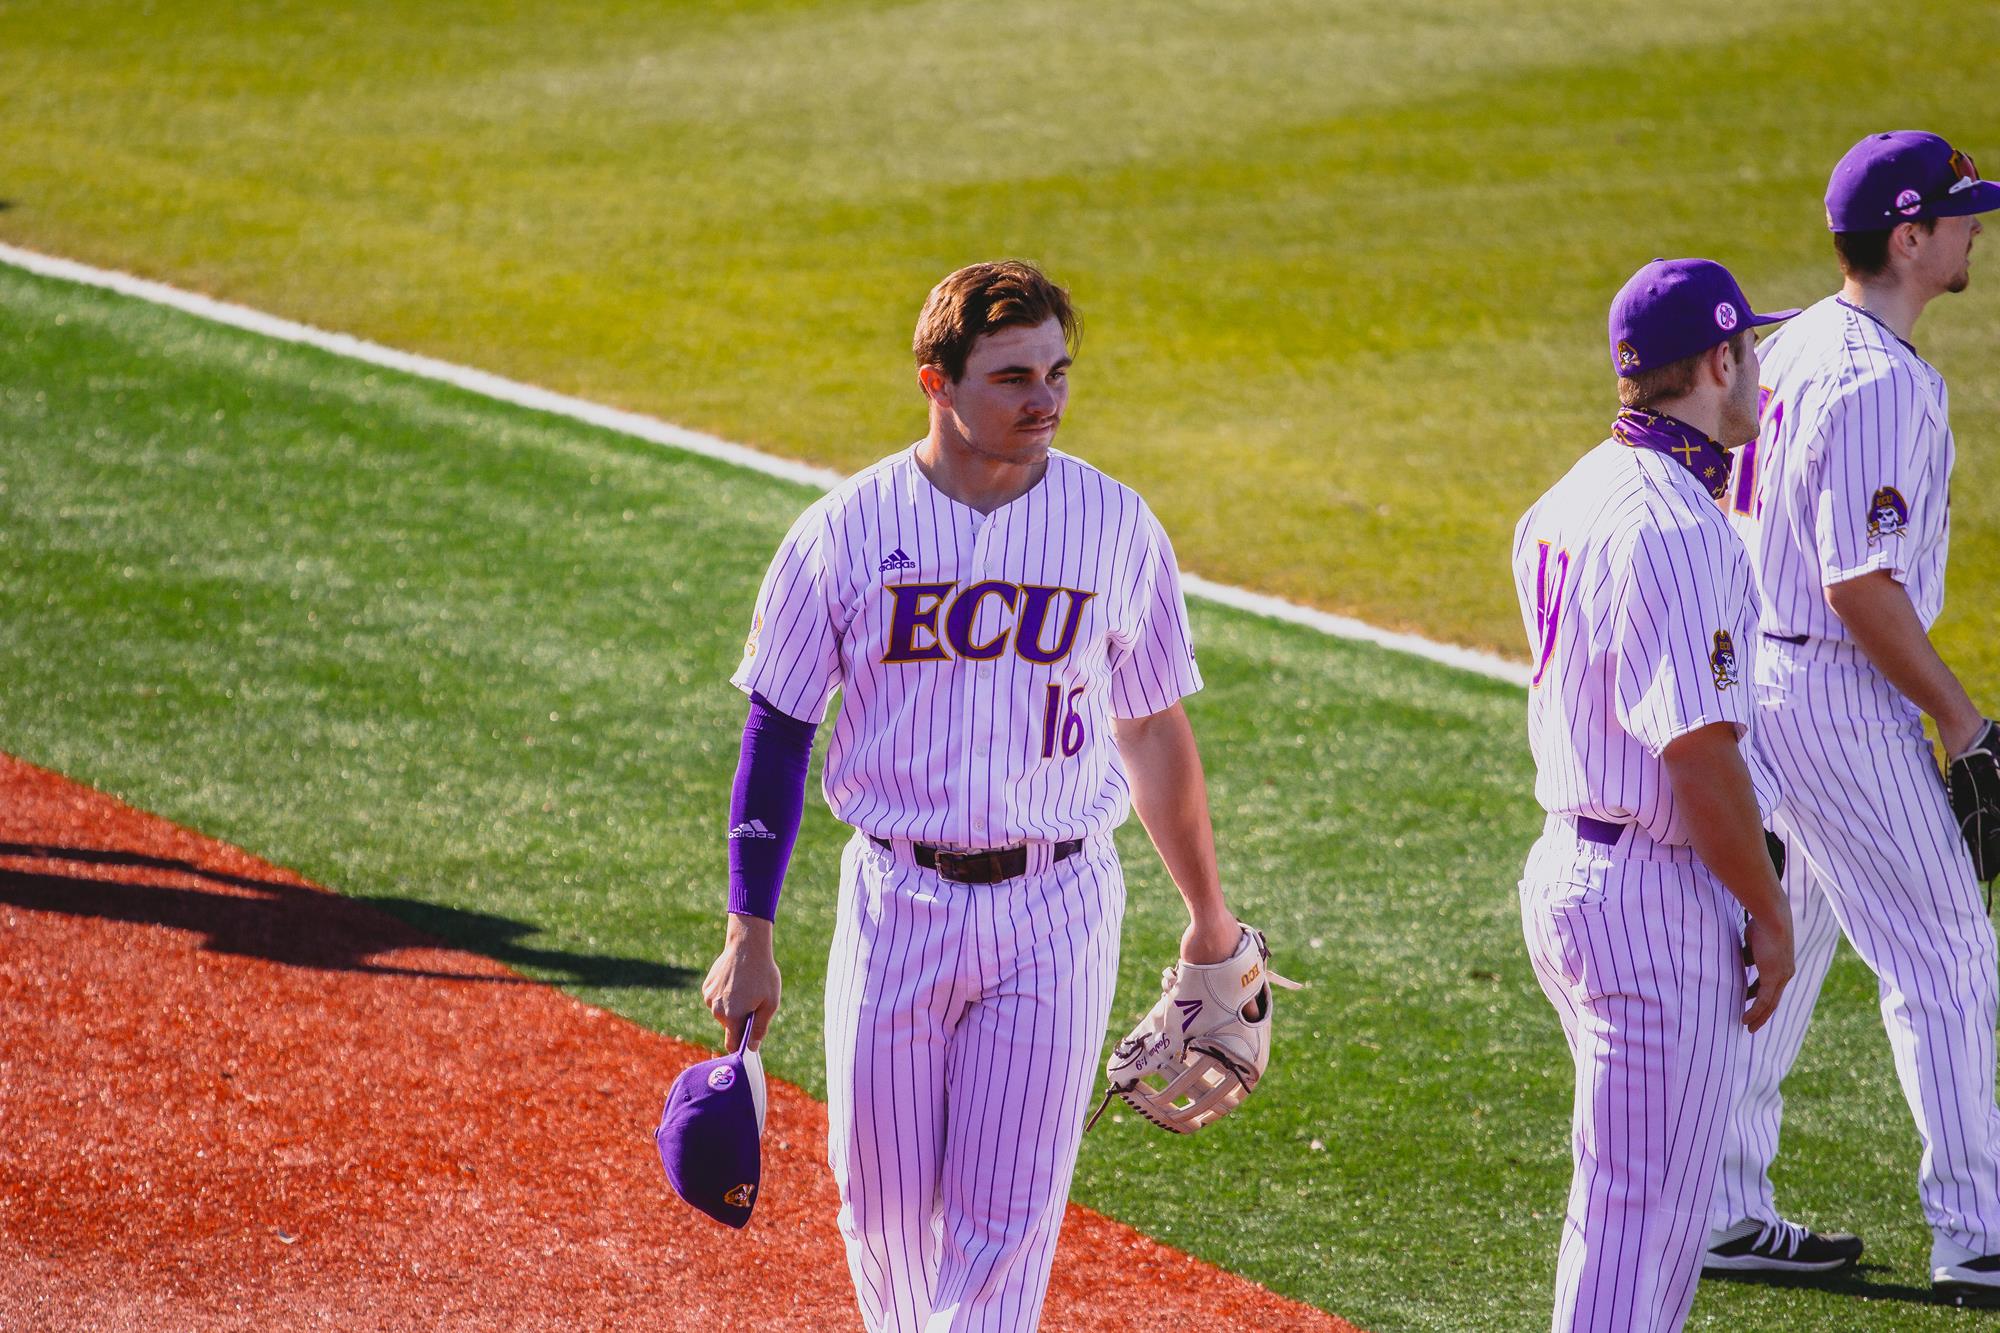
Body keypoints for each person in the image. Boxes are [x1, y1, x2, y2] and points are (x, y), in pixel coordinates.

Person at [699, 260, 1246, 1330]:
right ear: (934, 383)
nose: (1043, 398)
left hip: (1057, 903)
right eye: (1011, 376)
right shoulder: (843, 532)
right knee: (881, 1213)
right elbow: (776, 731)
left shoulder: (1114, 526)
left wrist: (1208, 923)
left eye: (1057, 372)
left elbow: (1150, 727)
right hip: (893, 900)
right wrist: (747, 930)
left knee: (1006, 1224)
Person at [1705, 130, 2000, 1305]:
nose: (1978, 228)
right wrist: (1962, 723)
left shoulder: (1789, 342)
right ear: (1906, 235)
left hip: (1754, 679)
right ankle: (1976, 1228)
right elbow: (1858, 584)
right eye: (1962, 214)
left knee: (1794, 935)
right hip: (1832, 692)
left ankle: (1724, 1201)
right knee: (1943, 953)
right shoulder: (1879, 377)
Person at [1511, 257, 1799, 1332]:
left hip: (1575, 868)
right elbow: (1697, 753)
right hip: (1649, 895)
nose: (1760, 377)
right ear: (1716, 359)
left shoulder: (1574, 489)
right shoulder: (1677, 528)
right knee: (1647, 1223)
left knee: (1621, 1208)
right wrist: (1768, 916)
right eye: (1749, 352)